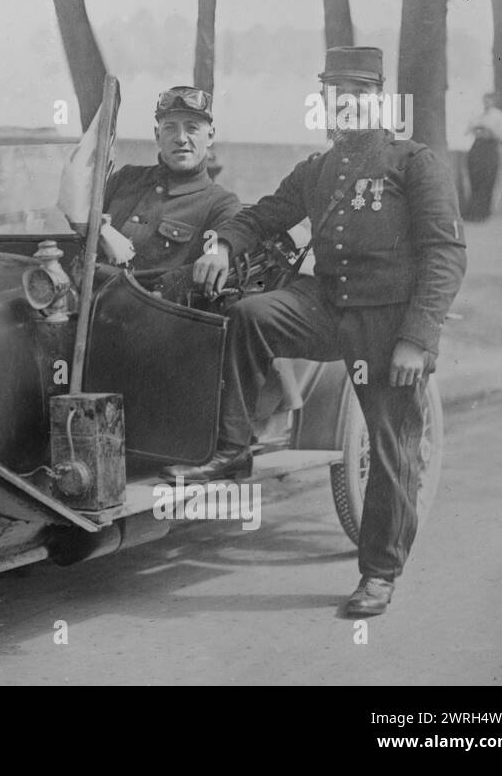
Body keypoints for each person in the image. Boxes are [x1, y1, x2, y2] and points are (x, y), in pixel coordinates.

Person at [186, 46, 467, 617]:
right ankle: (233, 451)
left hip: (388, 321)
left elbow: (445, 254)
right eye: (337, 97)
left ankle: (380, 574)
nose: (347, 106)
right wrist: (220, 244)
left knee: (389, 446)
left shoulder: (415, 162)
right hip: (327, 305)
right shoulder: (316, 170)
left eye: (359, 96)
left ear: (380, 100)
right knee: (251, 314)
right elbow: (259, 217)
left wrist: (418, 336)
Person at [98, 85, 241, 299]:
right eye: (170, 128)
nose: (181, 138)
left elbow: (210, 266)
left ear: (210, 136)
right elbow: (80, 215)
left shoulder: (221, 205)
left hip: (151, 308)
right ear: (157, 135)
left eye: (192, 128)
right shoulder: (126, 179)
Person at [462, 92, 502, 222]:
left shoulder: (498, 116)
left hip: (490, 149)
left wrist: (489, 130)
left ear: (494, 101)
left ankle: (483, 213)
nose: (486, 103)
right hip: (477, 149)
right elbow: (467, 131)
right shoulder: (478, 115)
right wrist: (477, 128)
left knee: (487, 180)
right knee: (475, 179)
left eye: (489, 101)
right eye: (485, 100)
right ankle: (473, 213)